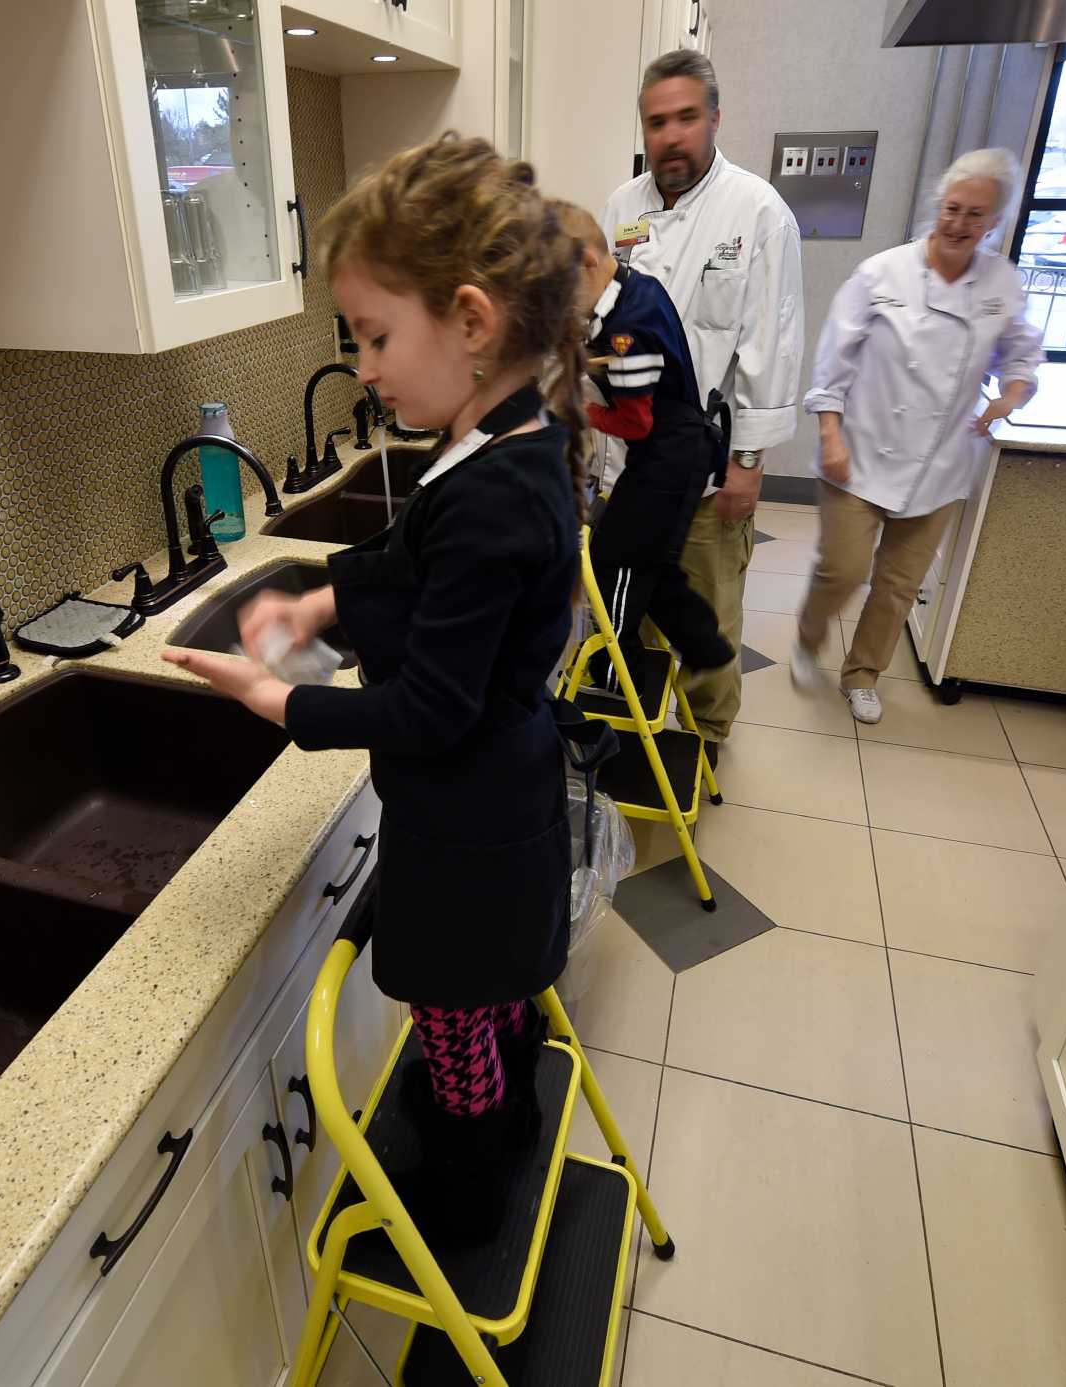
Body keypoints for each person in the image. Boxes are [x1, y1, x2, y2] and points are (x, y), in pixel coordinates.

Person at [162, 136, 587, 1245]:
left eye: (375, 334)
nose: (362, 365)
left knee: (451, 1026)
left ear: (471, 320)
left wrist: (277, 700)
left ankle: (468, 1194)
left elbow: (428, 712)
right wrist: (316, 605)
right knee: (489, 1011)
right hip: (496, 811)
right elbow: (407, 563)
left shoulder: (492, 492)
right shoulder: (494, 444)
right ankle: (499, 1116)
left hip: (473, 832)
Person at [790, 148, 1045, 725]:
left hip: (941, 463)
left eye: (975, 215)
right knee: (846, 569)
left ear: (994, 222)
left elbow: (1023, 355)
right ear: (938, 205)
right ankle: (808, 640)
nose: (959, 224)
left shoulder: (1001, 282)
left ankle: (863, 674)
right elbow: (832, 366)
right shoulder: (882, 273)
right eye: (952, 209)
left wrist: (1012, 393)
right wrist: (830, 436)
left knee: (898, 585)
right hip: (858, 451)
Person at [601, 49, 803, 762]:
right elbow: (606, 328)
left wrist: (749, 463)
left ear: (714, 118)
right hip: (631, 462)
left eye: (687, 118)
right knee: (643, 599)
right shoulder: (622, 209)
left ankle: (709, 733)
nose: (671, 135)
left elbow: (770, 347)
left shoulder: (758, 213)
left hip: (710, 465)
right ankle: (647, 730)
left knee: (709, 607)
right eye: (658, 121)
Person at [557, 199, 732, 681]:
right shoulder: (637, 288)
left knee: (615, 559)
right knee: (656, 563)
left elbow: (636, 424)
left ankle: (615, 673)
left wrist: (577, 410)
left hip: (668, 455)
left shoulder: (627, 331)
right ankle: (707, 648)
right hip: (680, 448)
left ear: (589, 262)